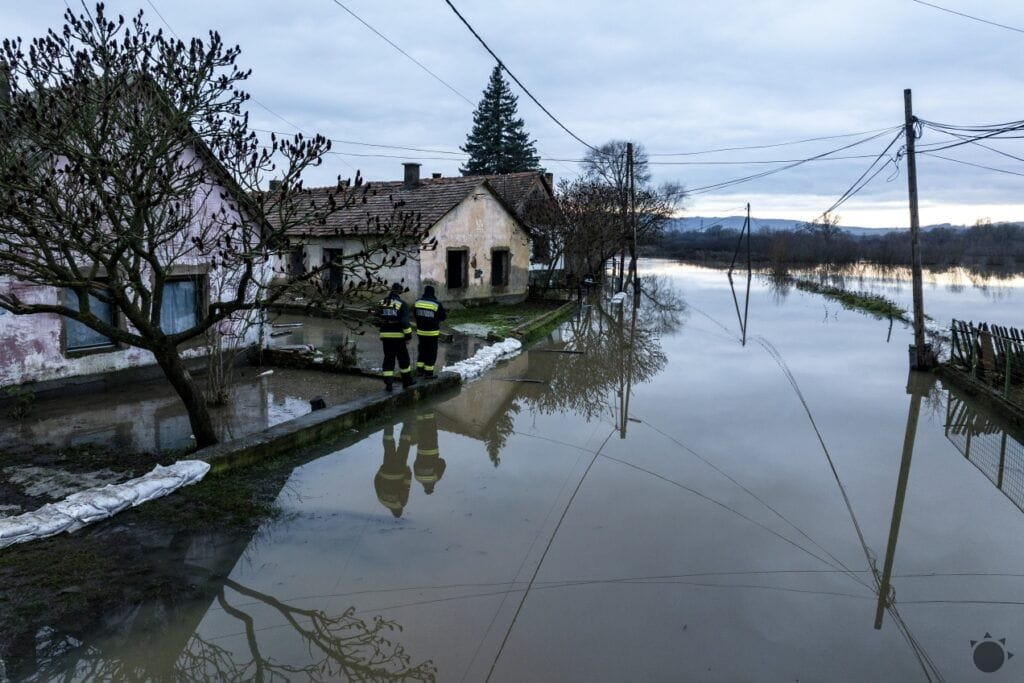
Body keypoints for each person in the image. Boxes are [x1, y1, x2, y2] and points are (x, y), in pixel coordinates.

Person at [375, 282, 416, 392]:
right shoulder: (402, 304)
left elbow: (376, 319)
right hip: (398, 337)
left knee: (388, 359)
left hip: (385, 337)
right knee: (403, 359)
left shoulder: (381, 302)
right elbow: (404, 322)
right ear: (400, 292)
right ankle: (407, 381)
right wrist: (408, 336)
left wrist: (384, 327)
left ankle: (388, 384)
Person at [374, 422, 413, 517]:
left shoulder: (401, 504)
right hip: (386, 469)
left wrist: (408, 472)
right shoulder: (382, 501)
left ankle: (407, 424)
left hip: (399, 470)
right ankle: (388, 427)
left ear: (400, 510)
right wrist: (381, 470)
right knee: (388, 448)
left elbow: (406, 487)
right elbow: (376, 482)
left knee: (404, 447)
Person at [413, 284, 447, 378]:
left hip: (420, 332)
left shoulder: (417, 302)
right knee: (431, 352)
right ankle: (428, 373)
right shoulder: (436, 304)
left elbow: (415, 315)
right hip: (432, 333)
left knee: (422, 351)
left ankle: (420, 371)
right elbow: (443, 317)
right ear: (433, 292)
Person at [413, 409, 446, 494]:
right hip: (421, 450)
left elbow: (442, 463)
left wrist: (435, 462)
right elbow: (415, 464)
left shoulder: (435, 478)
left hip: (432, 450)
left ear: (432, 487)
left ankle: (428, 410)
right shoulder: (417, 478)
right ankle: (420, 412)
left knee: (431, 431)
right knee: (422, 433)